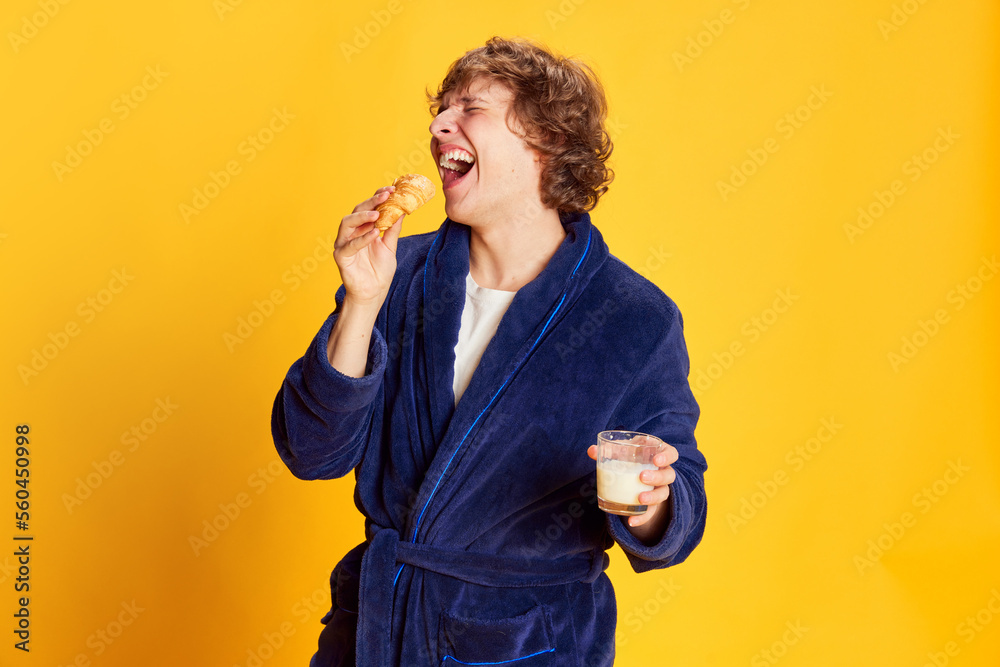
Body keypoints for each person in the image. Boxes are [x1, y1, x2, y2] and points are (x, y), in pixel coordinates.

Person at [270, 36, 707, 666]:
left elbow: (677, 511)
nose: (438, 124)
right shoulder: (400, 273)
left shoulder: (632, 314)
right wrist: (362, 300)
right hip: (377, 629)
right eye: (440, 109)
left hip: (525, 643)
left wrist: (653, 499)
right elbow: (311, 453)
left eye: (469, 108)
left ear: (546, 140)